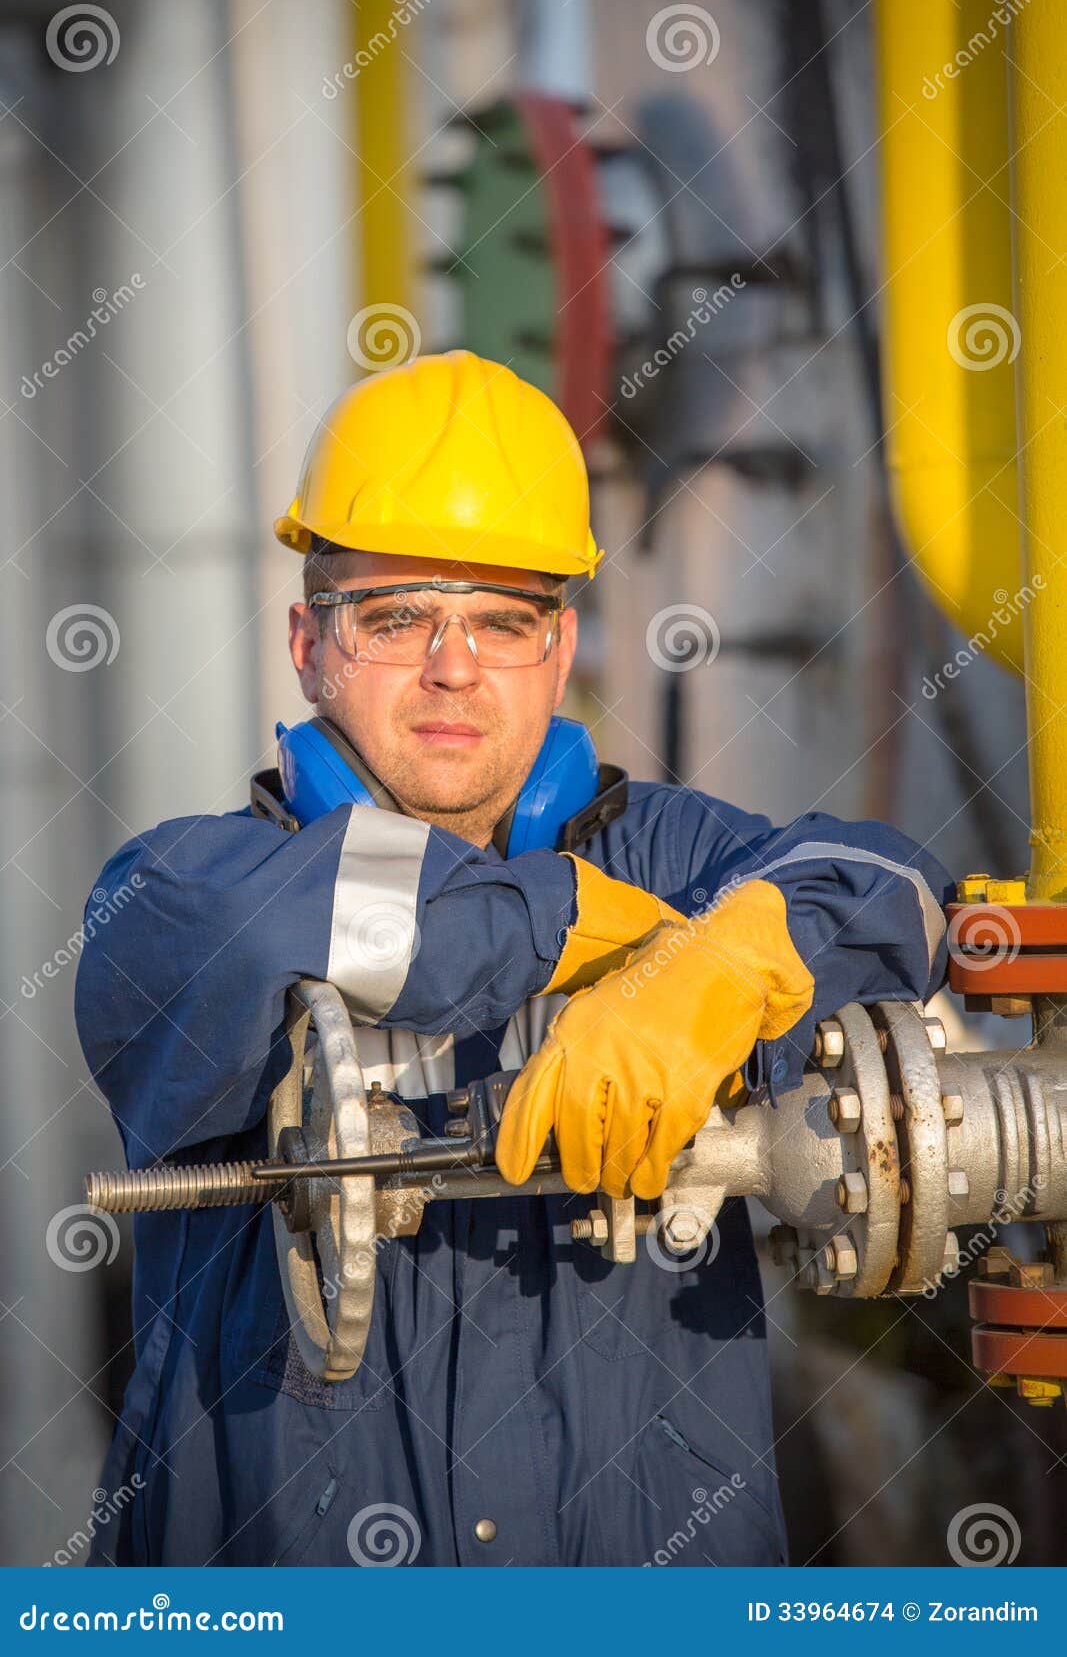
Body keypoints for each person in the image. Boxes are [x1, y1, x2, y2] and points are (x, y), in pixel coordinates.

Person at [76, 350, 951, 1566]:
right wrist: (571, 925)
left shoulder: (676, 859)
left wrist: (730, 963)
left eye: (501, 620)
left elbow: (898, 896)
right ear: (307, 641)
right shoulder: (186, 893)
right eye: (396, 618)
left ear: (559, 645)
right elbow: (259, 936)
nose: (453, 666)